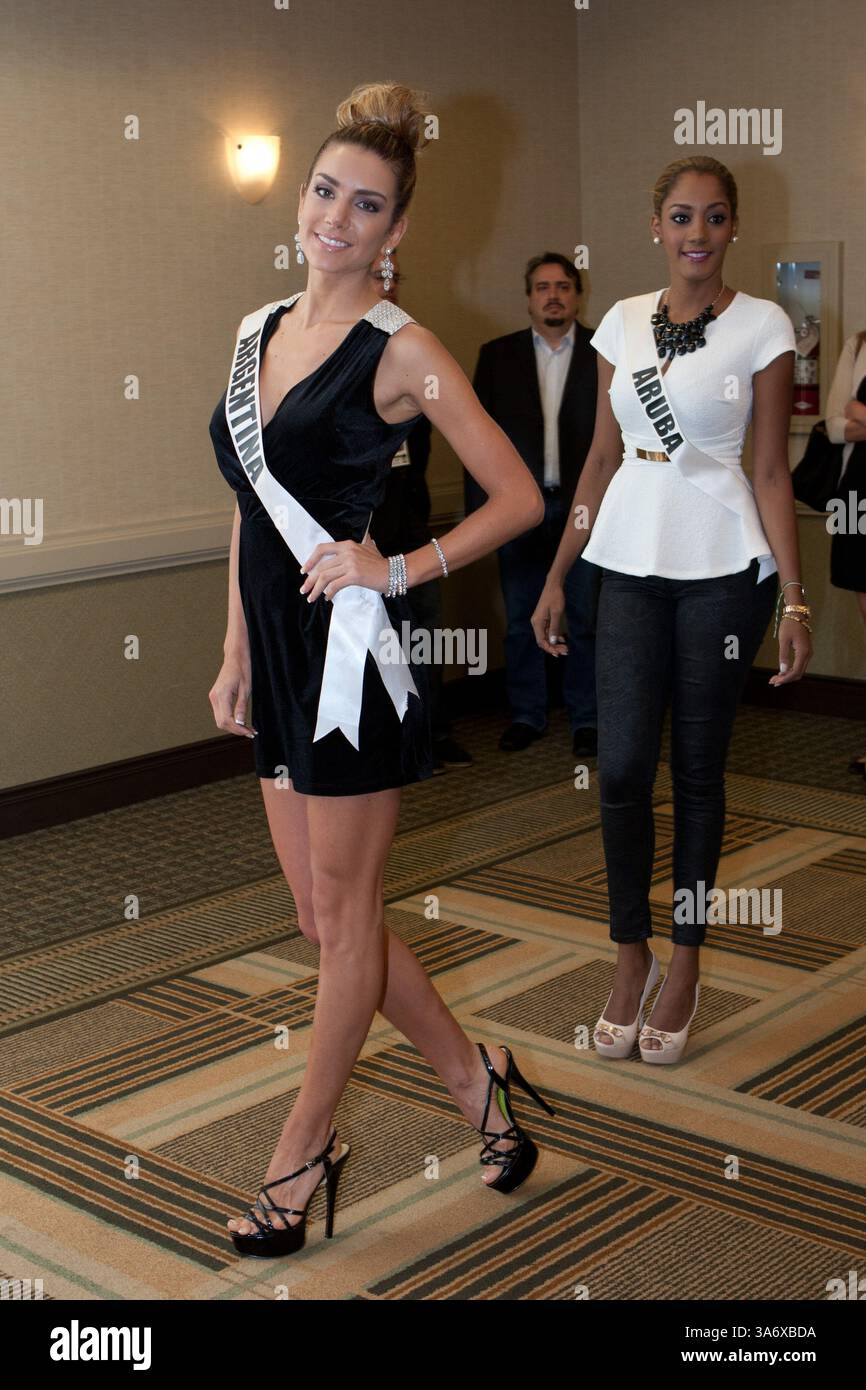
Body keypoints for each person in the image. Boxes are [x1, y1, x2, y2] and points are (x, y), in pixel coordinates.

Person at [207, 81, 554, 1257]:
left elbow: (516, 496)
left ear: (396, 229)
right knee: (320, 917)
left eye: (366, 206)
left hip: (354, 656)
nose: (335, 221)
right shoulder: (256, 330)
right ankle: (478, 1080)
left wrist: (395, 569)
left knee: (348, 918)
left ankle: (299, 1153)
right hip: (279, 654)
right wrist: (233, 648)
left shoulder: (403, 352)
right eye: (323, 192)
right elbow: (253, 514)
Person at [532, 156, 813, 1065]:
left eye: (716, 217)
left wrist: (796, 599)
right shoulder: (616, 322)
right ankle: (630, 952)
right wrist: (557, 571)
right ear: (656, 225)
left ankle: (685, 960)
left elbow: (770, 469)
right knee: (618, 769)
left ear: (733, 229)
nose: (698, 234)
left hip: (722, 565)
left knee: (696, 771)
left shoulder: (764, 326)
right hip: (626, 555)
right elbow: (601, 462)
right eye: (683, 217)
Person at [464, 254, 601, 758]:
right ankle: (527, 715)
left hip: (584, 509)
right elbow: (475, 445)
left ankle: (587, 718)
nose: (553, 295)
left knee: (584, 617)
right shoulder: (497, 357)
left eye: (563, 286)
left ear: (577, 296)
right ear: (528, 297)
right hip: (518, 511)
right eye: (542, 287)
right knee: (523, 617)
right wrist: (481, 517)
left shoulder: (602, 352)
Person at [368, 251, 473, 773]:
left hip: (413, 529)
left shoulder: (417, 350)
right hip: (361, 539)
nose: (387, 289)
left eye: (394, 280)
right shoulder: (341, 357)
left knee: (425, 636)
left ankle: (432, 734)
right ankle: (393, 741)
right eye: (377, 277)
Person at [824, 328, 866, 778]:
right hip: (859, 495)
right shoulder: (859, 344)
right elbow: (836, 426)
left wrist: (863, 414)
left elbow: (853, 416)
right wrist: (853, 417)